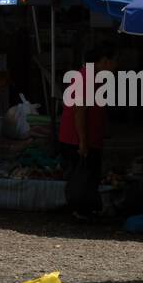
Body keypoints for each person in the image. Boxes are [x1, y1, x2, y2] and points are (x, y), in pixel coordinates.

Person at [58, 41, 117, 219]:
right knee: (83, 176)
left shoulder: (91, 77)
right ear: (104, 61)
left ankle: (84, 209)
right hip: (77, 140)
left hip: (82, 138)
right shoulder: (87, 79)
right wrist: (83, 142)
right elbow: (79, 112)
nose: (116, 65)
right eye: (114, 61)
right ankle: (81, 211)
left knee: (86, 175)